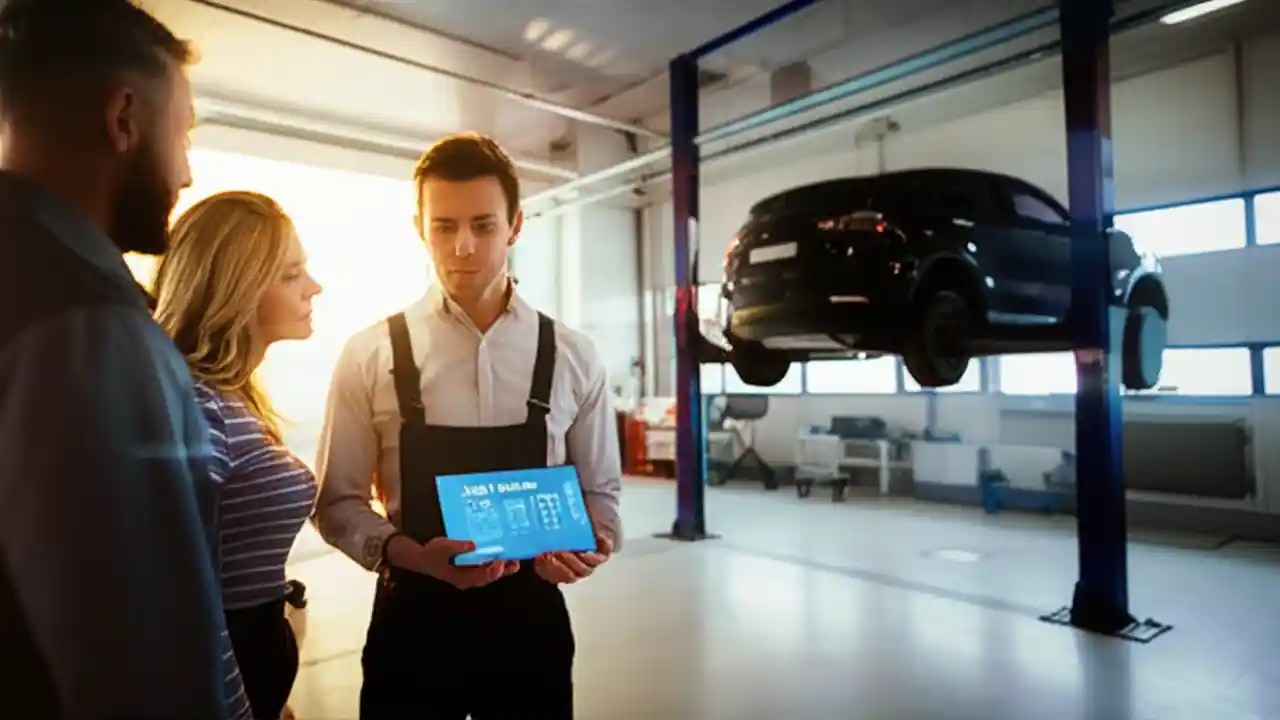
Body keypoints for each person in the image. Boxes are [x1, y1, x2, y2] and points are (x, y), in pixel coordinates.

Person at [313, 132, 624, 719]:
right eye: (443, 226)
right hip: (412, 623)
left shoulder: (573, 356)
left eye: (483, 226)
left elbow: (601, 493)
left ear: (516, 226)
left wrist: (591, 543)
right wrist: (408, 553)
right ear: (418, 227)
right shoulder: (370, 353)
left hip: (530, 624)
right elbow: (336, 503)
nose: (462, 246)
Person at [0, 1, 250, 718]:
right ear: (124, 118)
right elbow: (143, 662)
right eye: (184, 133)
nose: (188, 173)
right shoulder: (90, 327)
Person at [154, 191, 324, 719]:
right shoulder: (199, 406)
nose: (314, 287)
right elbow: (184, 598)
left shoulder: (232, 396)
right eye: (292, 274)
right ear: (240, 288)